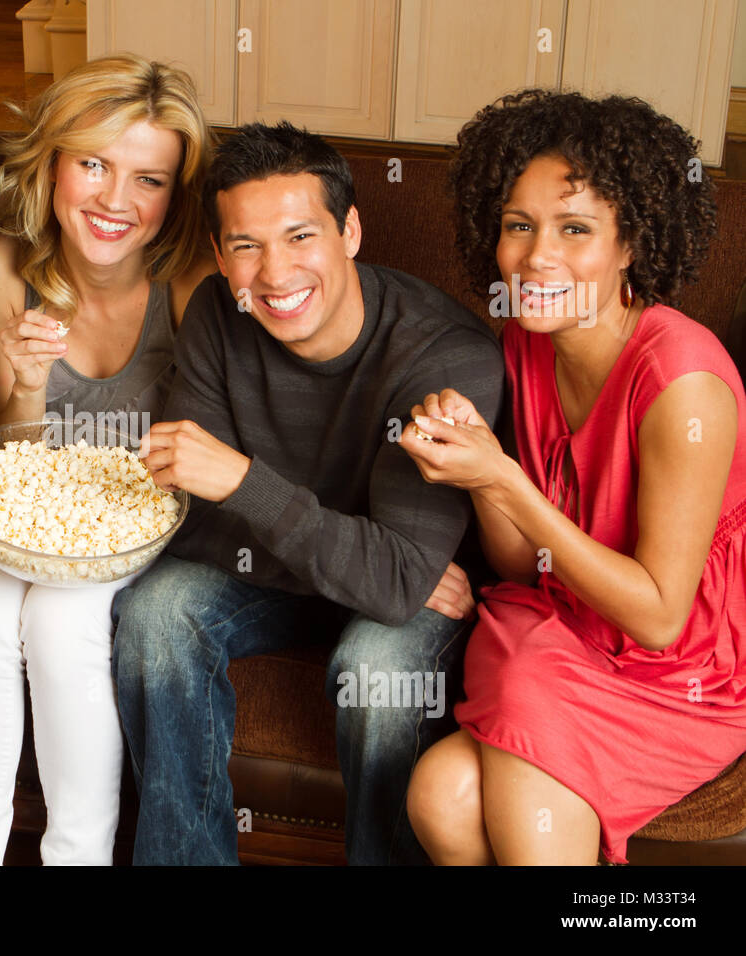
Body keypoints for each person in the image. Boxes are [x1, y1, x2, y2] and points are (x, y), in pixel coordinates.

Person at [111, 121, 505, 865]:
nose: (275, 274)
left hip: (400, 600)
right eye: (245, 246)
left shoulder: (446, 355)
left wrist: (242, 482)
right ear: (221, 255)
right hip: (304, 575)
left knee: (379, 673)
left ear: (350, 230)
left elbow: (390, 584)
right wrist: (373, 568)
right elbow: (188, 523)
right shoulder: (216, 320)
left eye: (299, 237)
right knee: (154, 611)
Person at [402, 89, 746, 866]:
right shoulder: (529, 340)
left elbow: (659, 617)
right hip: (562, 626)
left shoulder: (682, 382)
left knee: (521, 689)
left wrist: (508, 482)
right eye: (519, 225)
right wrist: (483, 471)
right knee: (440, 799)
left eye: (576, 229)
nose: (536, 257)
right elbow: (528, 566)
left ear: (631, 244)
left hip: (674, 669)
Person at [0, 54, 214, 866]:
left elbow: (206, 457)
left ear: (175, 193)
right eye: (92, 164)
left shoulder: (191, 286)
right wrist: (24, 382)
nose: (115, 202)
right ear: (53, 162)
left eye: (148, 180)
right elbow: (3, 455)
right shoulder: (1, 271)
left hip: (143, 522)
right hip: (34, 514)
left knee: (63, 620)